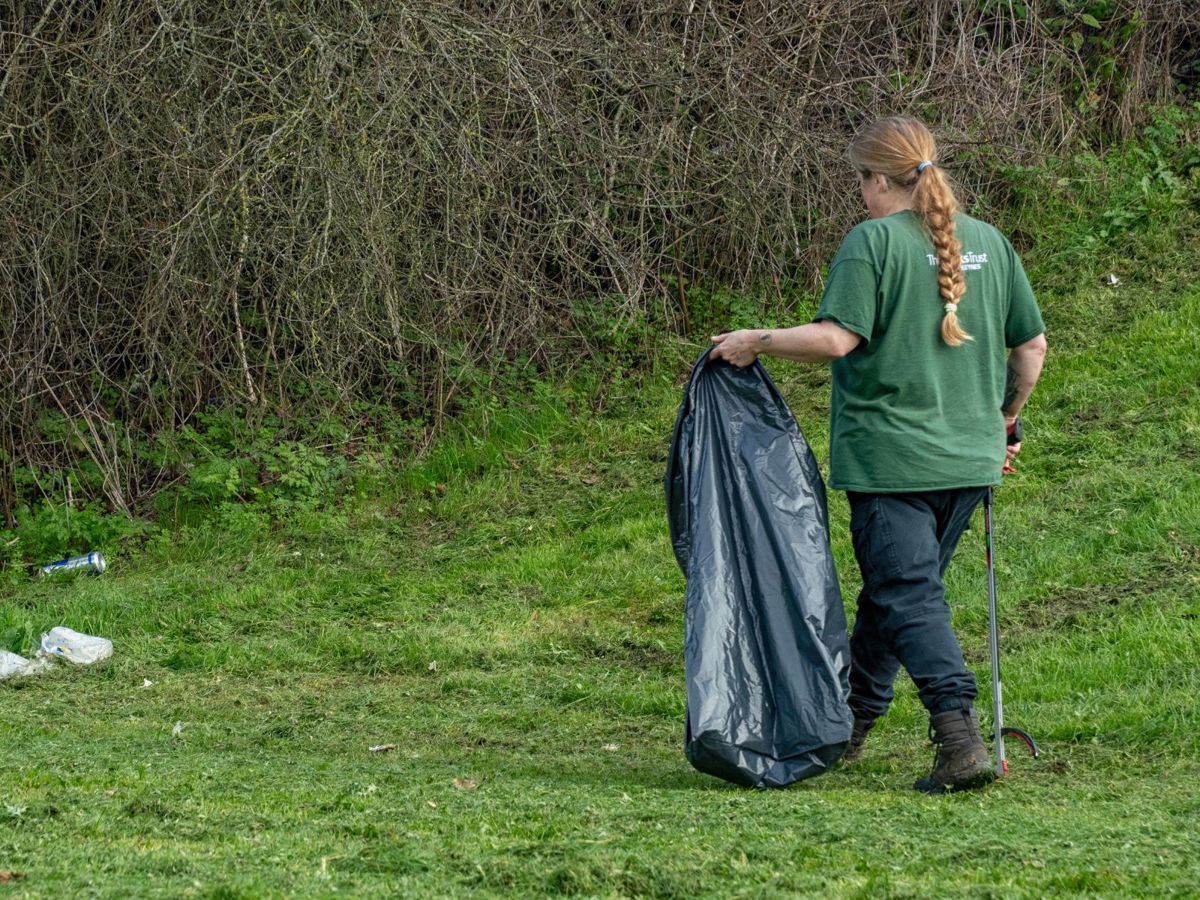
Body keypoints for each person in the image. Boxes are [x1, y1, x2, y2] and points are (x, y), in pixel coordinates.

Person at [708, 116, 1047, 793]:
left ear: (878, 180)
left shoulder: (872, 242)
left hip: (893, 461)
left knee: (906, 595)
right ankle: (851, 720)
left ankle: (959, 739)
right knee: (896, 596)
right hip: (969, 462)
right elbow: (1031, 349)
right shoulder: (988, 241)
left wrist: (756, 339)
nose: (860, 195)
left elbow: (836, 339)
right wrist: (1005, 424)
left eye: (861, 181)